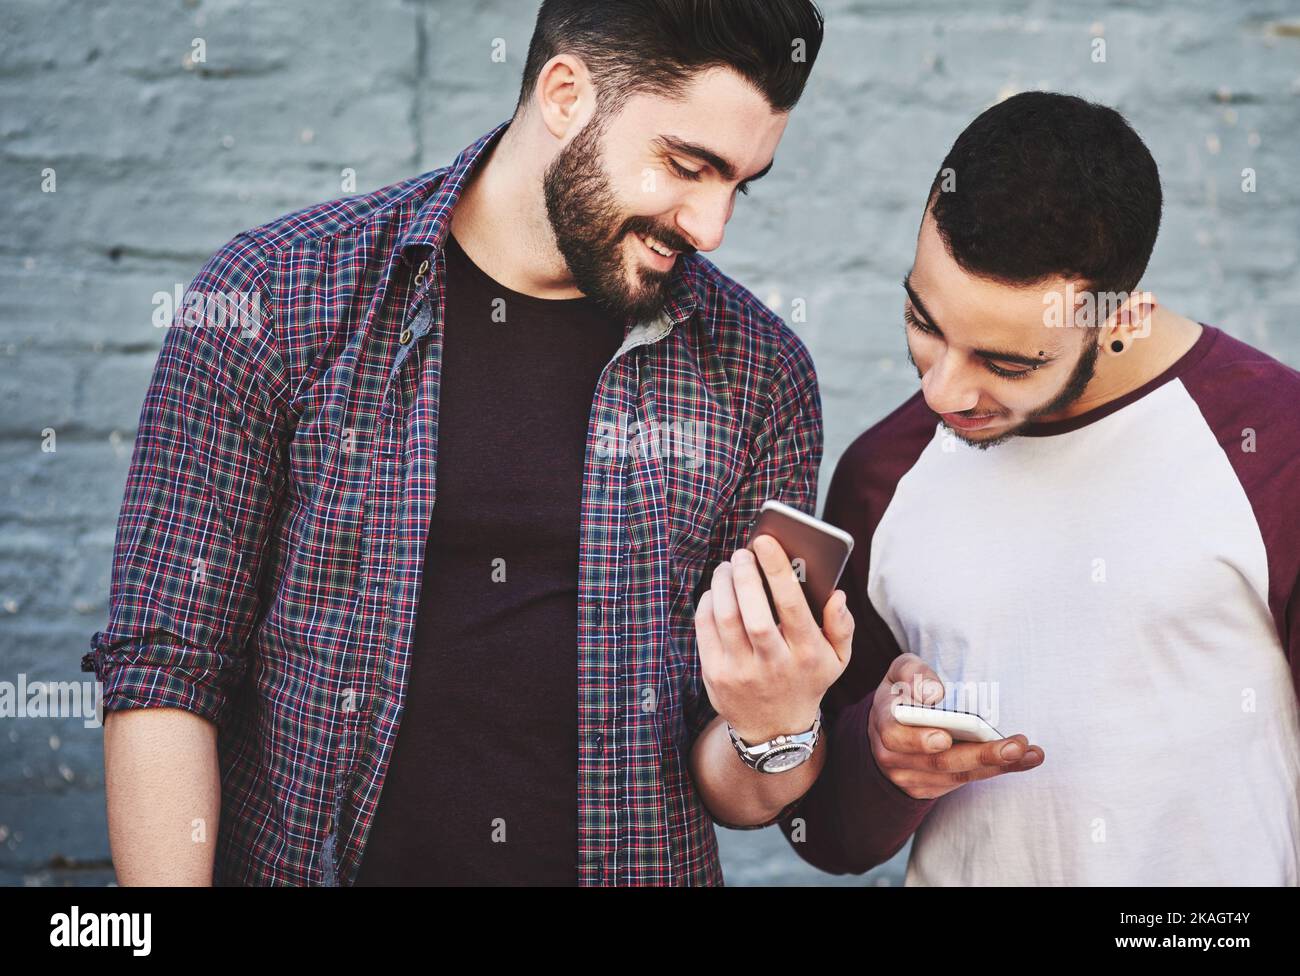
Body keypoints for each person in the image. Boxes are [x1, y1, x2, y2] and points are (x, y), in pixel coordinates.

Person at [82, 0, 851, 886]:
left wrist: (775, 724)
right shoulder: (274, 299)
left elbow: (734, 791)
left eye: (739, 184)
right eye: (687, 165)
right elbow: (167, 667)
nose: (711, 226)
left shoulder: (759, 371)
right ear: (565, 93)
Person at [778, 92, 1300, 885]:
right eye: (924, 322)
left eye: (1007, 362)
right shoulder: (883, 477)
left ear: (1120, 318)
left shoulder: (1274, 444)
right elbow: (825, 834)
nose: (943, 394)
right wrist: (884, 762)